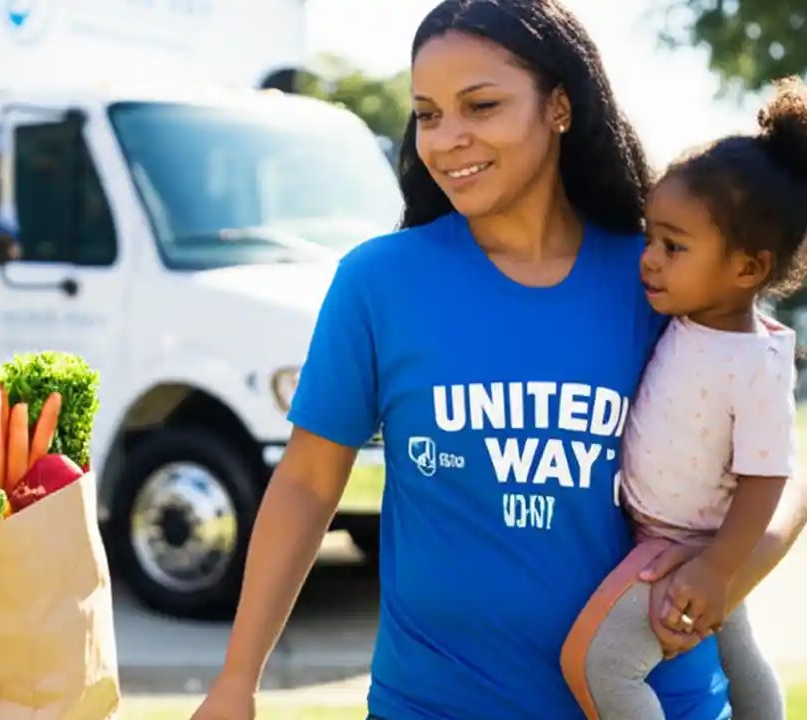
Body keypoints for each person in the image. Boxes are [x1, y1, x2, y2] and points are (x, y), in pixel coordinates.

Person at [190, 1, 807, 718]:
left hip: (655, 700)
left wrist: (718, 574)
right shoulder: (380, 283)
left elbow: (777, 472)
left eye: (480, 105)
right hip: (434, 703)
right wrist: (237, 679)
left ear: (560, 107)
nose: (448, 139)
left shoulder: (657, 275)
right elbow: (304, 483)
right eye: (427, 114)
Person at [560, 77, 807, 720]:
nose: (648, 260)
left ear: (747, 269)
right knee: (739, 646)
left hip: (679, 543)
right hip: (676, 534)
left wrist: (717, 569)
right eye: (650, 238)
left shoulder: (755, 362)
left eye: (674, 247)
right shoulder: (693, 319)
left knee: (598, 665)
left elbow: (767, 476)